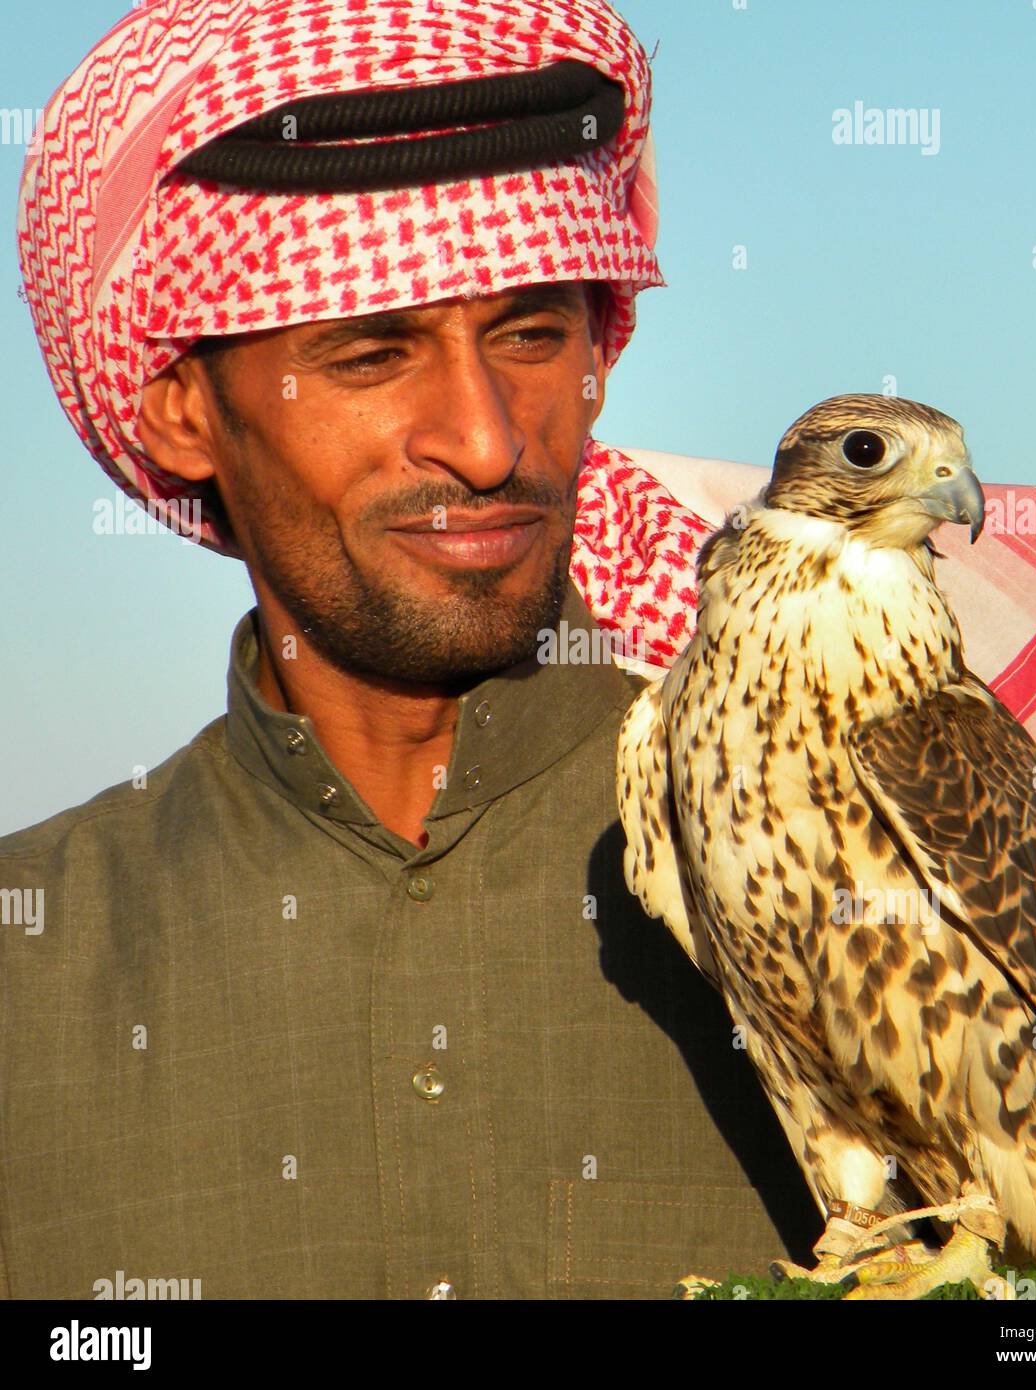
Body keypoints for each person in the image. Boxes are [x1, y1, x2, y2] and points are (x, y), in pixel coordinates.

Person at [1, 0, 815, 1300]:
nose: (487, 442)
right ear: (181, 410)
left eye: (530, 335)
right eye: (374, 353)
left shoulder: (834, 872)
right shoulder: (24, 967)